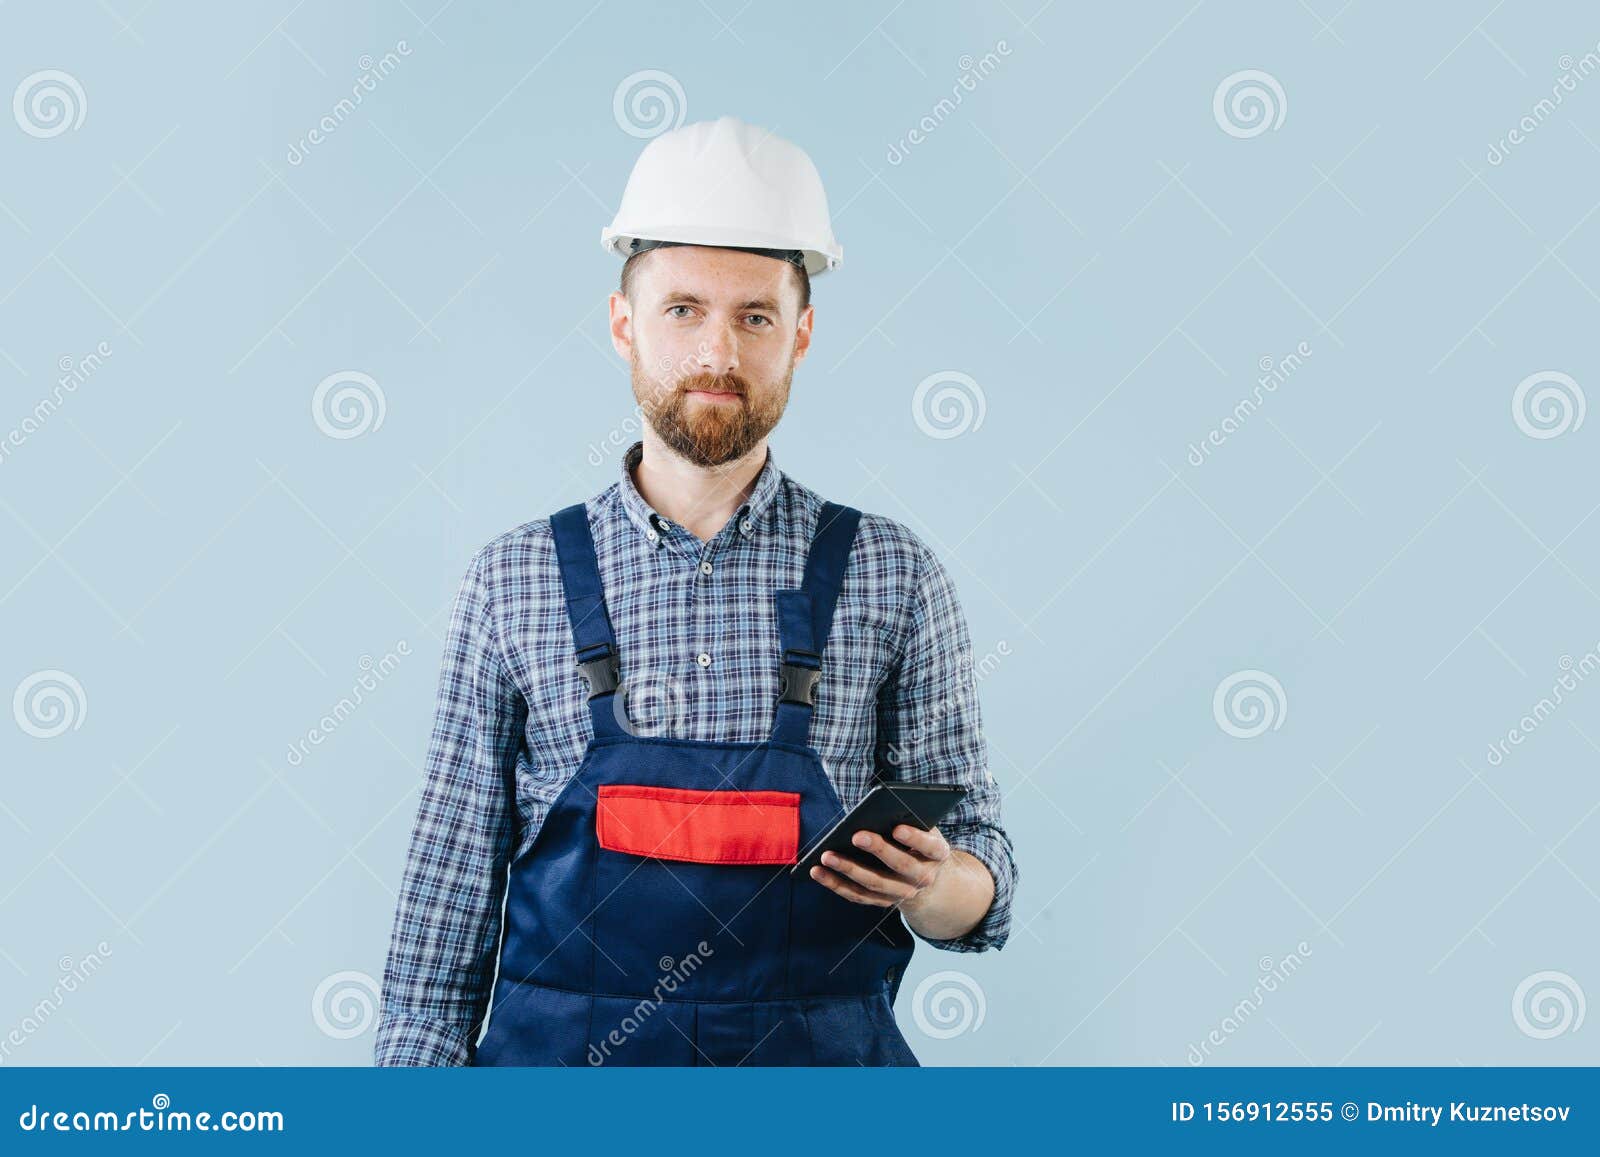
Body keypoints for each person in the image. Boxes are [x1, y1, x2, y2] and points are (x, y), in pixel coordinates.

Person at [374, 115, 1016, 1067]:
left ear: (799, 334)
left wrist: (940, 887)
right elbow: (443, 910)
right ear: (623, 323)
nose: (719, 351)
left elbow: (981, 884)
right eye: (683, 309)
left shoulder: (892, 571)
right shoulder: (515, 578)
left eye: (755, 315)